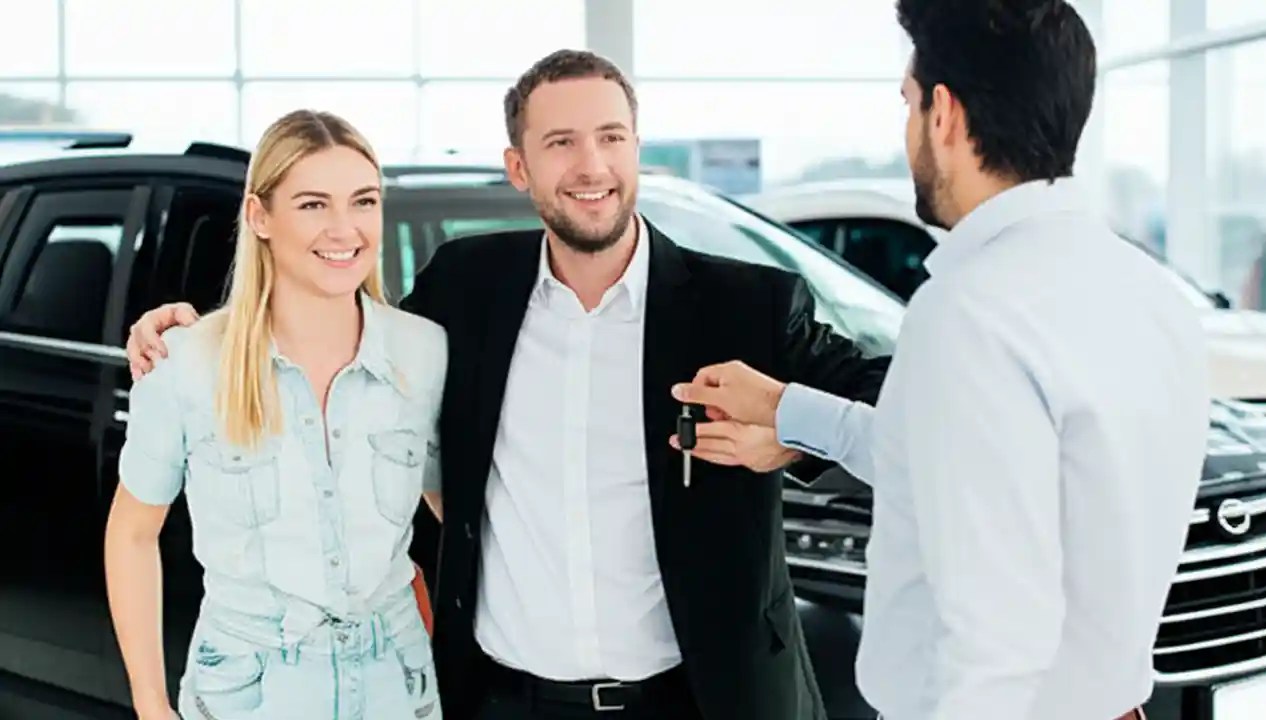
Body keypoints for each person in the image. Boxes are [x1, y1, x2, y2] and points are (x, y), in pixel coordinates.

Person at [125, 50, 890, 720]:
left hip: (696, 699)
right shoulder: (466, 291)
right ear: (519, 167)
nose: (591, 166)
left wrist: (790, 431)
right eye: (561, 143)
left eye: (611, 138)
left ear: (635, 150)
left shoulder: (745, 307)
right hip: (500, 701)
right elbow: (335, 323)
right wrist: (193, 328)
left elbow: (907, 408)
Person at [672, 2, 1209, 720]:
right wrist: (788, 412)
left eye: (909, 102)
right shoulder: (1150, 292)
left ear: (945, 115)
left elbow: (995, 640)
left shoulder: (970, 311)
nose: (907, 132)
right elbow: (959, 465)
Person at [105, 110, 447, 720]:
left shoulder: (424, 352)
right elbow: (132, 535)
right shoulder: (185, 363)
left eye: (363, 201)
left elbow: (463, 514)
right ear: (260, 216)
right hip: (247, 688)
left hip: (397, 683)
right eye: (314, 205)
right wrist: (151, 705)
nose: (345, 229)